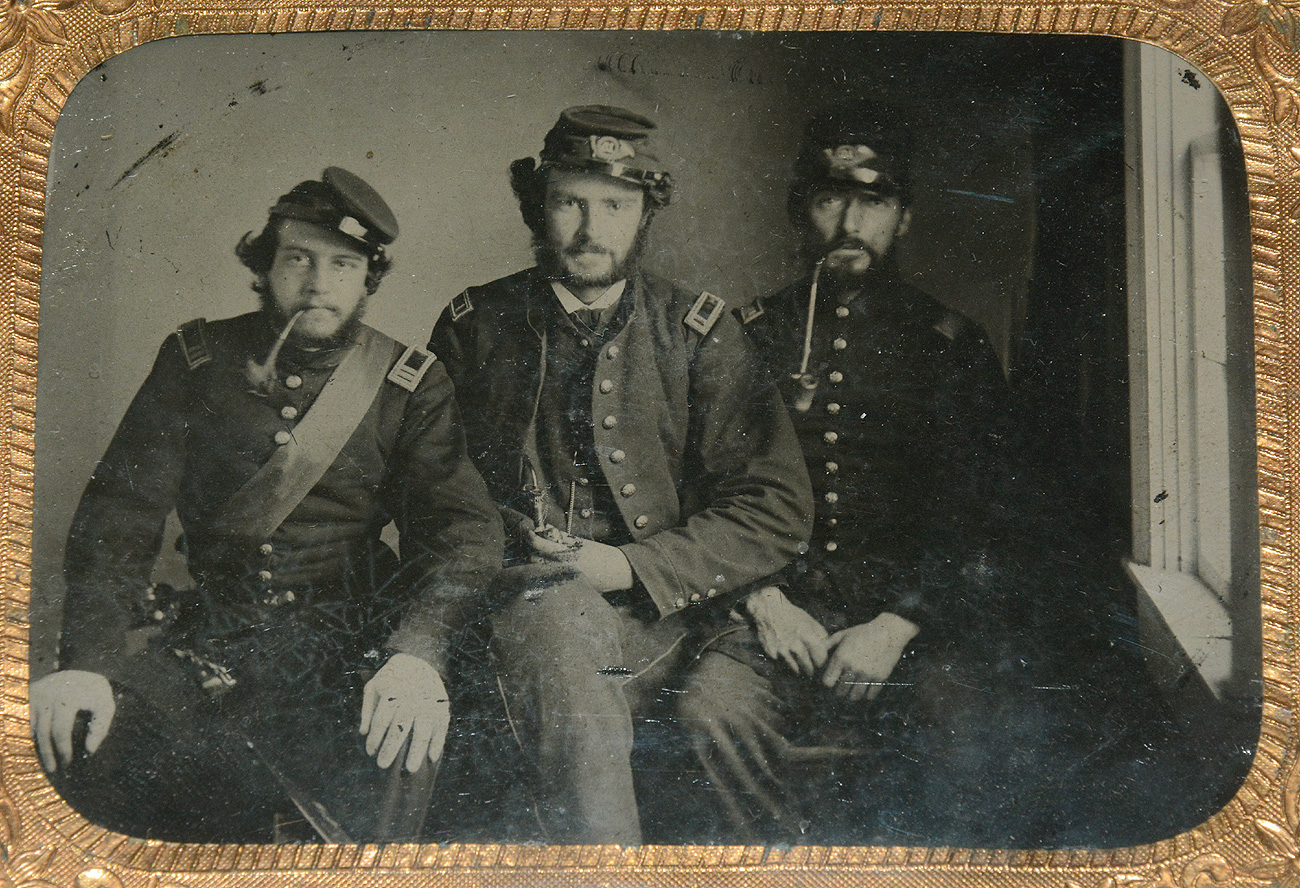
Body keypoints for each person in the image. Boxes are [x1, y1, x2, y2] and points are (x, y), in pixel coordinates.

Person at [32, 168, 504, 843]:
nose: (318, 283)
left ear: (369, 278)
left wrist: (418, 650)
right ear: (265, 265)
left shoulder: (407, 384)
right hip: (213, 636)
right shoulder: (195, 361)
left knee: (398, 752)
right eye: (298, 259)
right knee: (84, 743)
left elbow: (464, 534)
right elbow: (119, 517)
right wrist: (87, 660)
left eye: (343, 264)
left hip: (350, 649)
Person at [429, 105, 812, 844]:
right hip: (519, 610)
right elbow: (434, 487)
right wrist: (516, 535)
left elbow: (773, 505)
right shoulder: (474, 326)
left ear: (645, 214)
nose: (591, 228)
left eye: (615, 205)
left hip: (670, 622)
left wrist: (628, 566)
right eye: (570, 201)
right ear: (537, 207)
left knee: (673, 688)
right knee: (553, 618)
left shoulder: (698, 330)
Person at [679, 104, 1014, 843]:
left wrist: (898, 624)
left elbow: (981, 512)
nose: (850, 224)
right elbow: (703, 488)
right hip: (772, 613)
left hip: (908, 622)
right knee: (711, 714)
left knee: (962, 728)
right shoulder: (747, 336)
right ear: (803, 212)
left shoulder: (951, 347)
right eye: (831, 200)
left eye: (874, 202)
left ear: (904, 218)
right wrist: (764, 602)